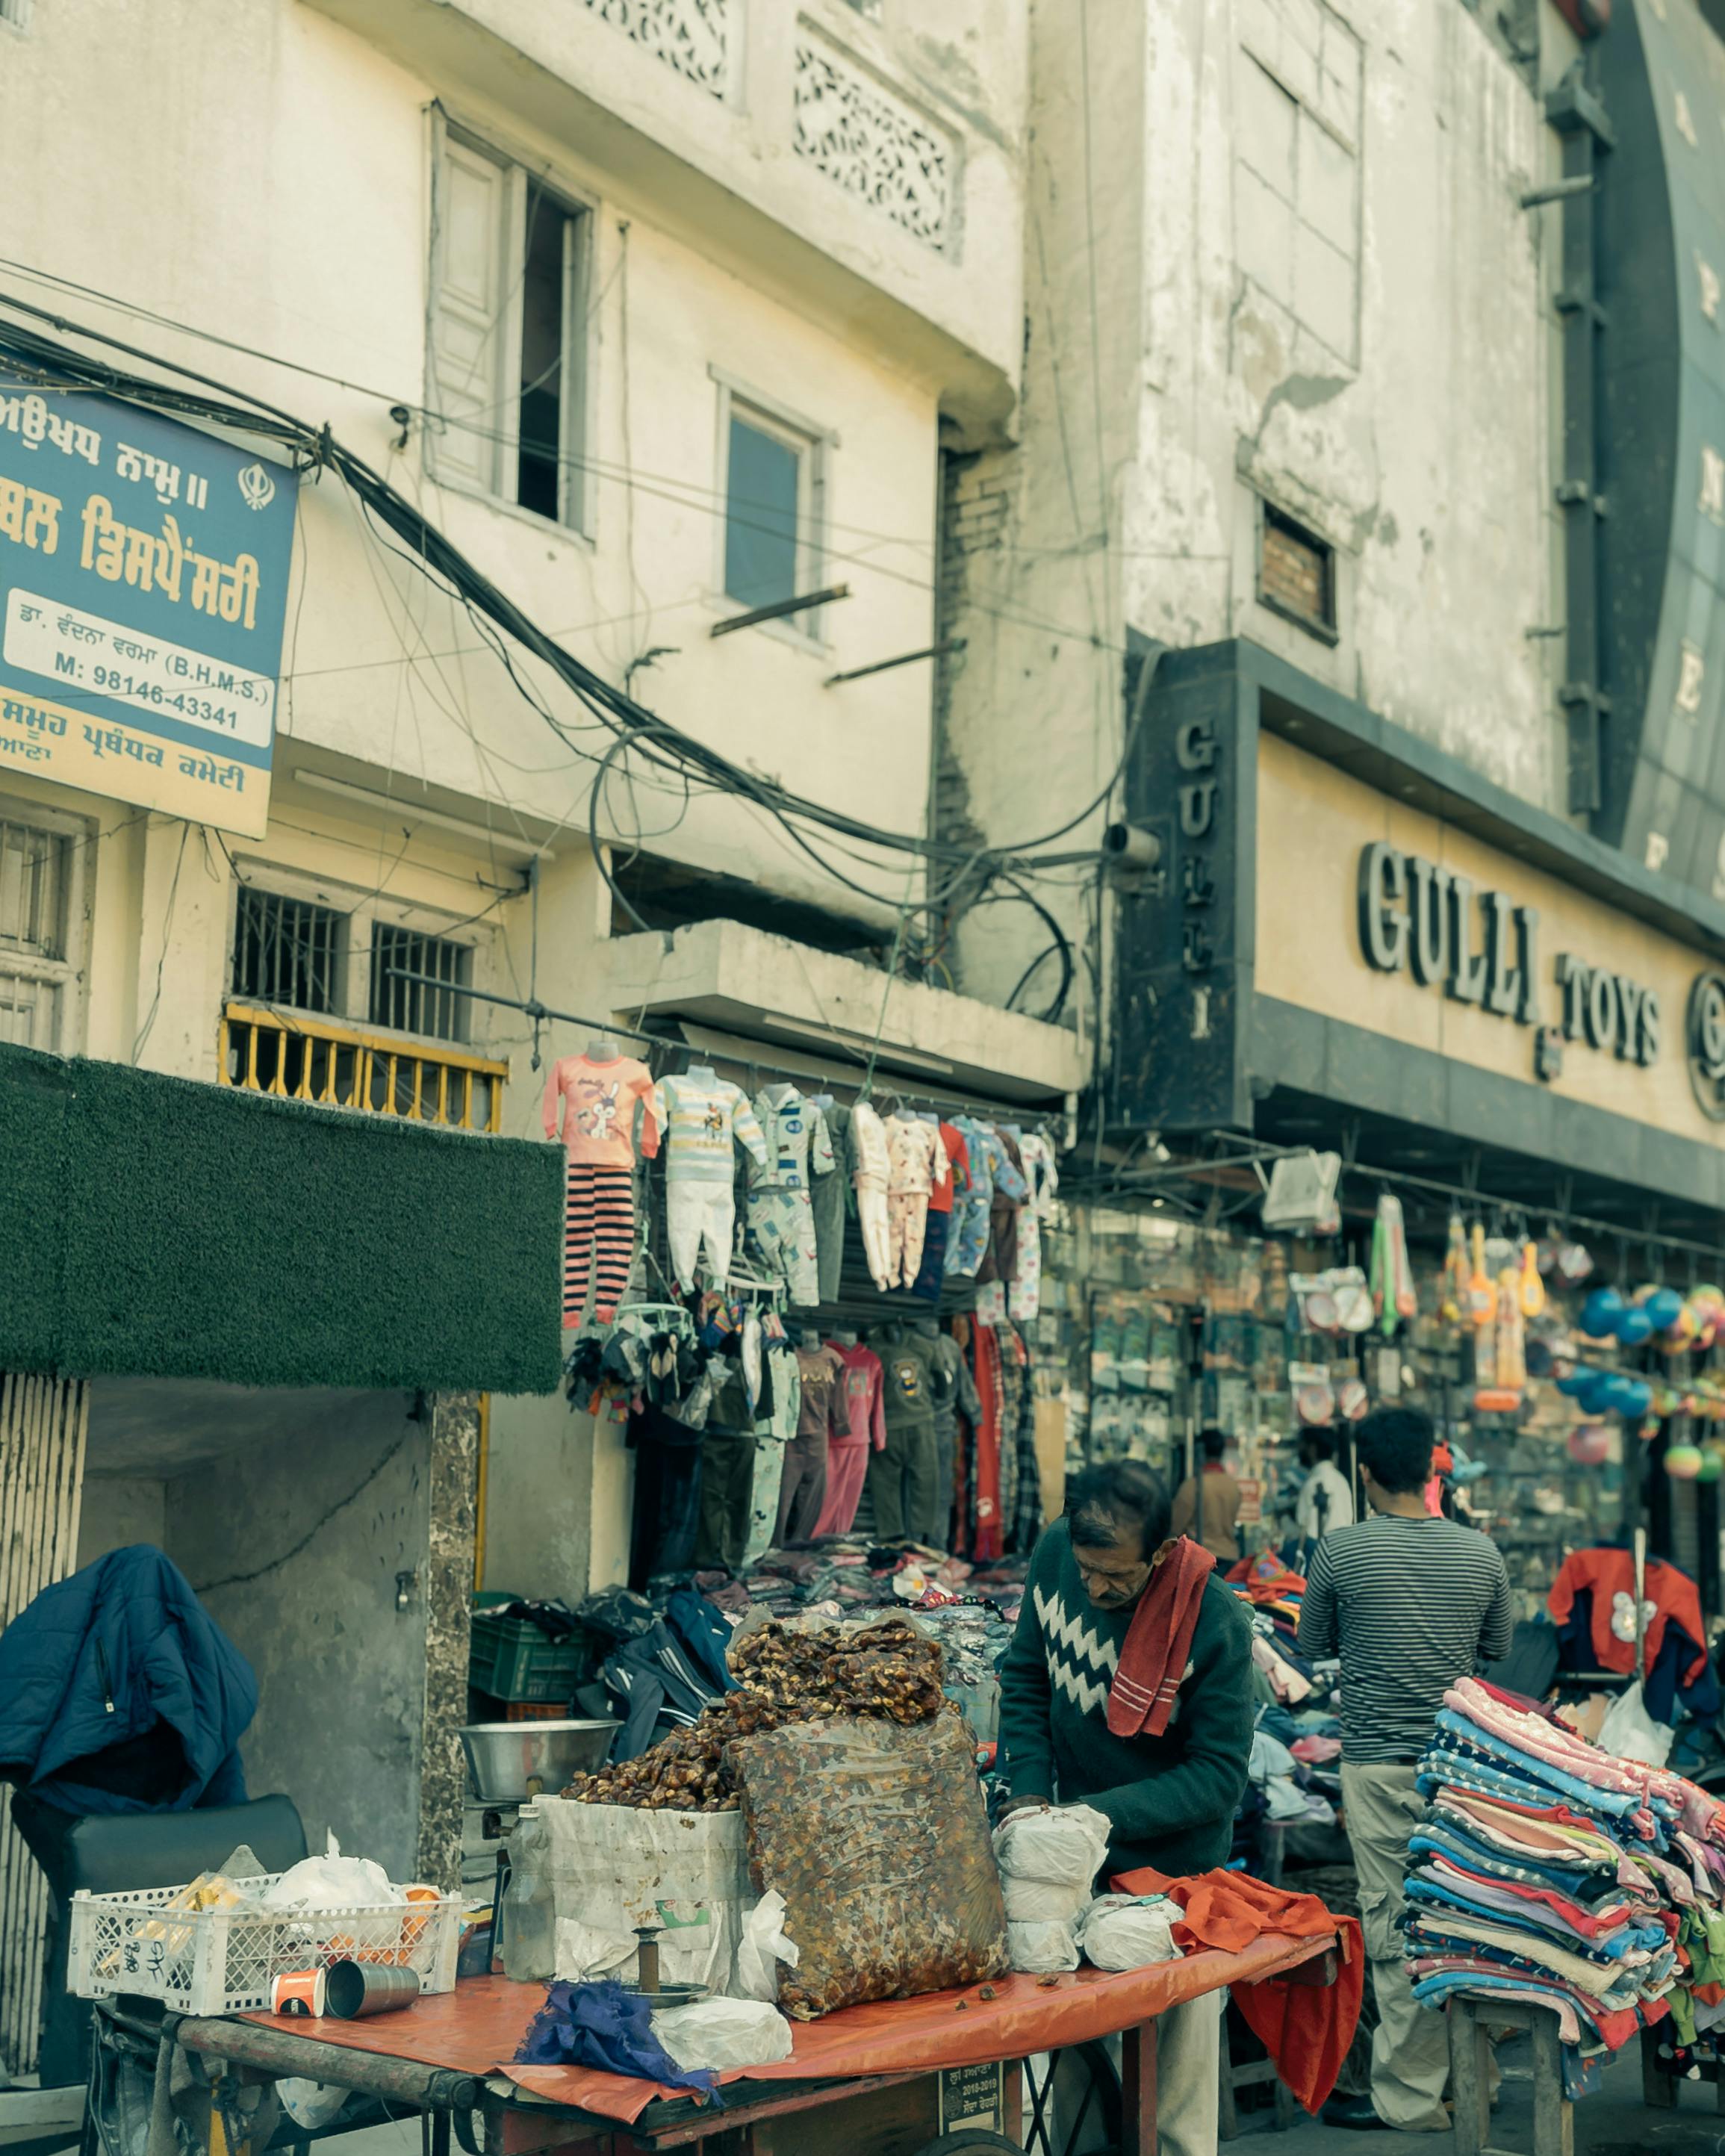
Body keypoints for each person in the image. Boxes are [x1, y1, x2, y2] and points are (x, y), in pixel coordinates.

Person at [998, 1458, 1255, 2156]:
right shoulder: (1058, 1553)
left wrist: (1095, 1814)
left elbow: (1218, 1776)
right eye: (1087, 1570)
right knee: (1074, 2064)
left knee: (1174, 2084)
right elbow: (1024, 1672)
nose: (1094, 1587)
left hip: (1178, 1879)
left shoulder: (1216, 1621)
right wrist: (1027, 1788)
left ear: (1164, 1552)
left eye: (1117, 1576)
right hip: (1072, 1867)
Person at [1297, 1407, 1513, 2134]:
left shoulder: (1339, 1549)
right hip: (1461, 1765)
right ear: (1434, 1469)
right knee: (1467, 1914)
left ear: (1363, 1471)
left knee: (1395, 1923)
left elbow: (1313, 1642)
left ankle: (1410, 2098)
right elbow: (1497, 1648)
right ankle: (1476, 2076)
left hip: (1379, 1765)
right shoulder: (1481, 1552)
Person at [1169, 1426, 1243, 1563]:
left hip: (1201, 1560)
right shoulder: (1233, 1486)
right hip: (1230, 1557)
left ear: (1200, 1452)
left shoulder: (1193, 1486)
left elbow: (1175, 1526)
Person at [1295, 1426, 1354, 1541]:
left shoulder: (1314, 1483)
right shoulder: (1341, 1480)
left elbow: (1309, 1535)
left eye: (1302, 1446)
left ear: (1312, 1449)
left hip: (1322, 1554)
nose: (1299, 1451)